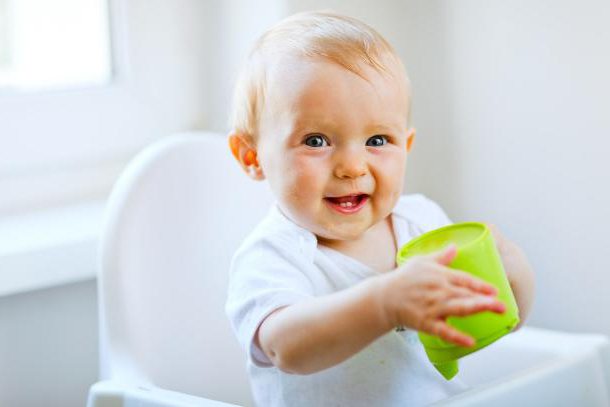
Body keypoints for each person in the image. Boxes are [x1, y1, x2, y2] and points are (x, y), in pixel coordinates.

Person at [225, 10, 535, 407]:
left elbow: (496, 326)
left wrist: (510, 273)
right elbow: (285, 347)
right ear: (252, 156)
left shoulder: (421, 223)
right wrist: (383, 303)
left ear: (405, 147)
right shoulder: (273, 254)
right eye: (317, 140)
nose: (353, 166)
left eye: (377, 139)